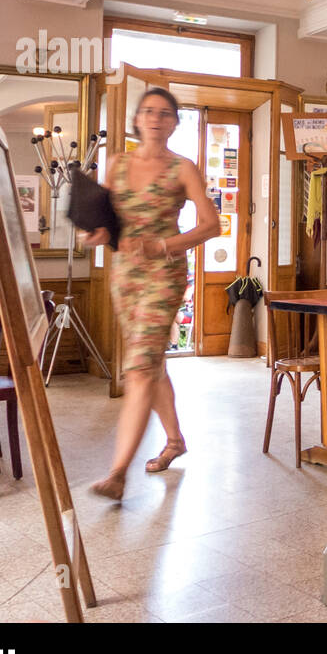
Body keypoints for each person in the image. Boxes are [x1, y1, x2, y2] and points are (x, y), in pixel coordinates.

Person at [80, 88, 221, 501]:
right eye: (148, 112)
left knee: (139, 367)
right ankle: (174, 440)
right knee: (151, 362)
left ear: (175, 123)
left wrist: (163, 246)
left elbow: (211, 225)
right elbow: (106, 221)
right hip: (124, 275)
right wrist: (97, 233)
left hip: (164, 273)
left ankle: (117, 473)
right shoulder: (117, 163)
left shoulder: (183, 168)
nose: (156, 119)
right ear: (137, 120)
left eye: (165, 113)